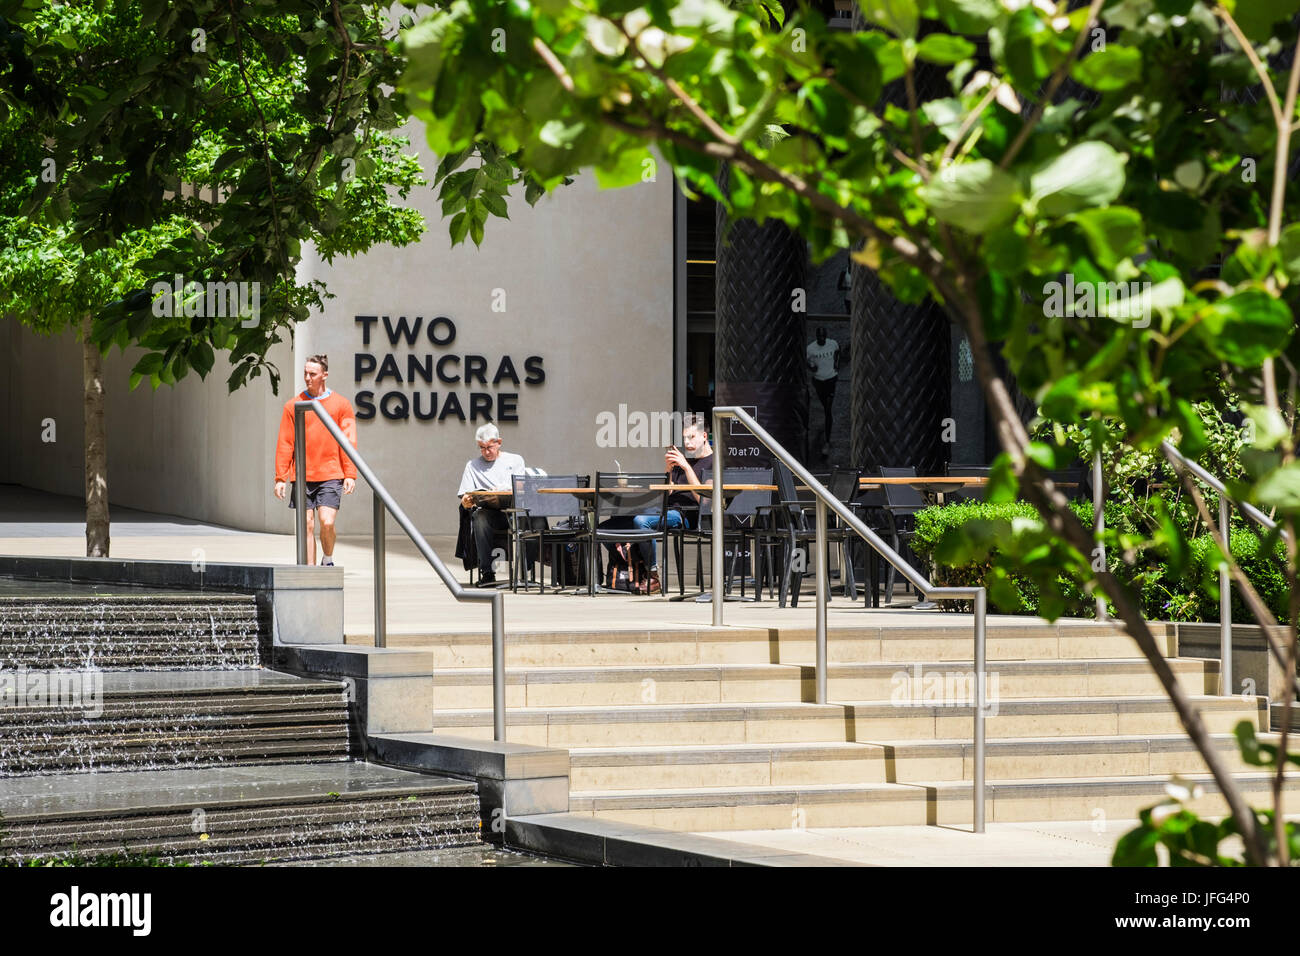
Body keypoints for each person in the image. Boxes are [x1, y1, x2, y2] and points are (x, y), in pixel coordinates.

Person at [604, 417, 713, 595]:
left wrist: (686, 467)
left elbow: (705, 502)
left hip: (685, 515)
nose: (687, 443)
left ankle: (652, 575)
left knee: (642, 522)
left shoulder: (713, 462)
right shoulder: (682, 461)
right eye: (684, 438)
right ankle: (634, 557)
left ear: (704, 436)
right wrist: (669, 470)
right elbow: (664, 495)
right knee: (607, 527)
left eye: (691, 437)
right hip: (663, 510)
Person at [274, 354, 357, 566]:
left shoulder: (341, 405)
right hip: (302, 475)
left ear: (325, 375)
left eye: (313, 374)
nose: (307, 378)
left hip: (331, 474)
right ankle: (310, 574)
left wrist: (350, 474)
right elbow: (285, 443)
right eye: (305, 373)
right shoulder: (293, 406)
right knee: (307, 525)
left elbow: (348, 441)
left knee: (326, 522)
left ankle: (327, 559)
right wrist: (280, 478)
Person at [456, 423, 526, 587]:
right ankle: (487, 572)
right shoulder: (472, 466)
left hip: (515, 511)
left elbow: (522, 487)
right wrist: (466, 501)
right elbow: (465, 497)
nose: (486, 452)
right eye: (482, 448)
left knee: (536, 519)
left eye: (490, 447)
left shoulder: (515, 460)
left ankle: (525, 570)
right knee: (478, 517)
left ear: (499, 442)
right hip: (492, 515)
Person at [806, 326, 840, 456]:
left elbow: (838, 351)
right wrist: (811, 368)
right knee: (824, 403)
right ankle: (827, 425)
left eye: (823, 336)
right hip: (819, 381)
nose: (821, 339)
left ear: (826, 336)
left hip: (831, 378)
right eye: (819, 336)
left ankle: (827, 440)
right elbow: (806, 360)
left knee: (828, 408)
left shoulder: (832, 344)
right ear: (816, 336)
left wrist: (836, 364)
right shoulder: (811, 349)